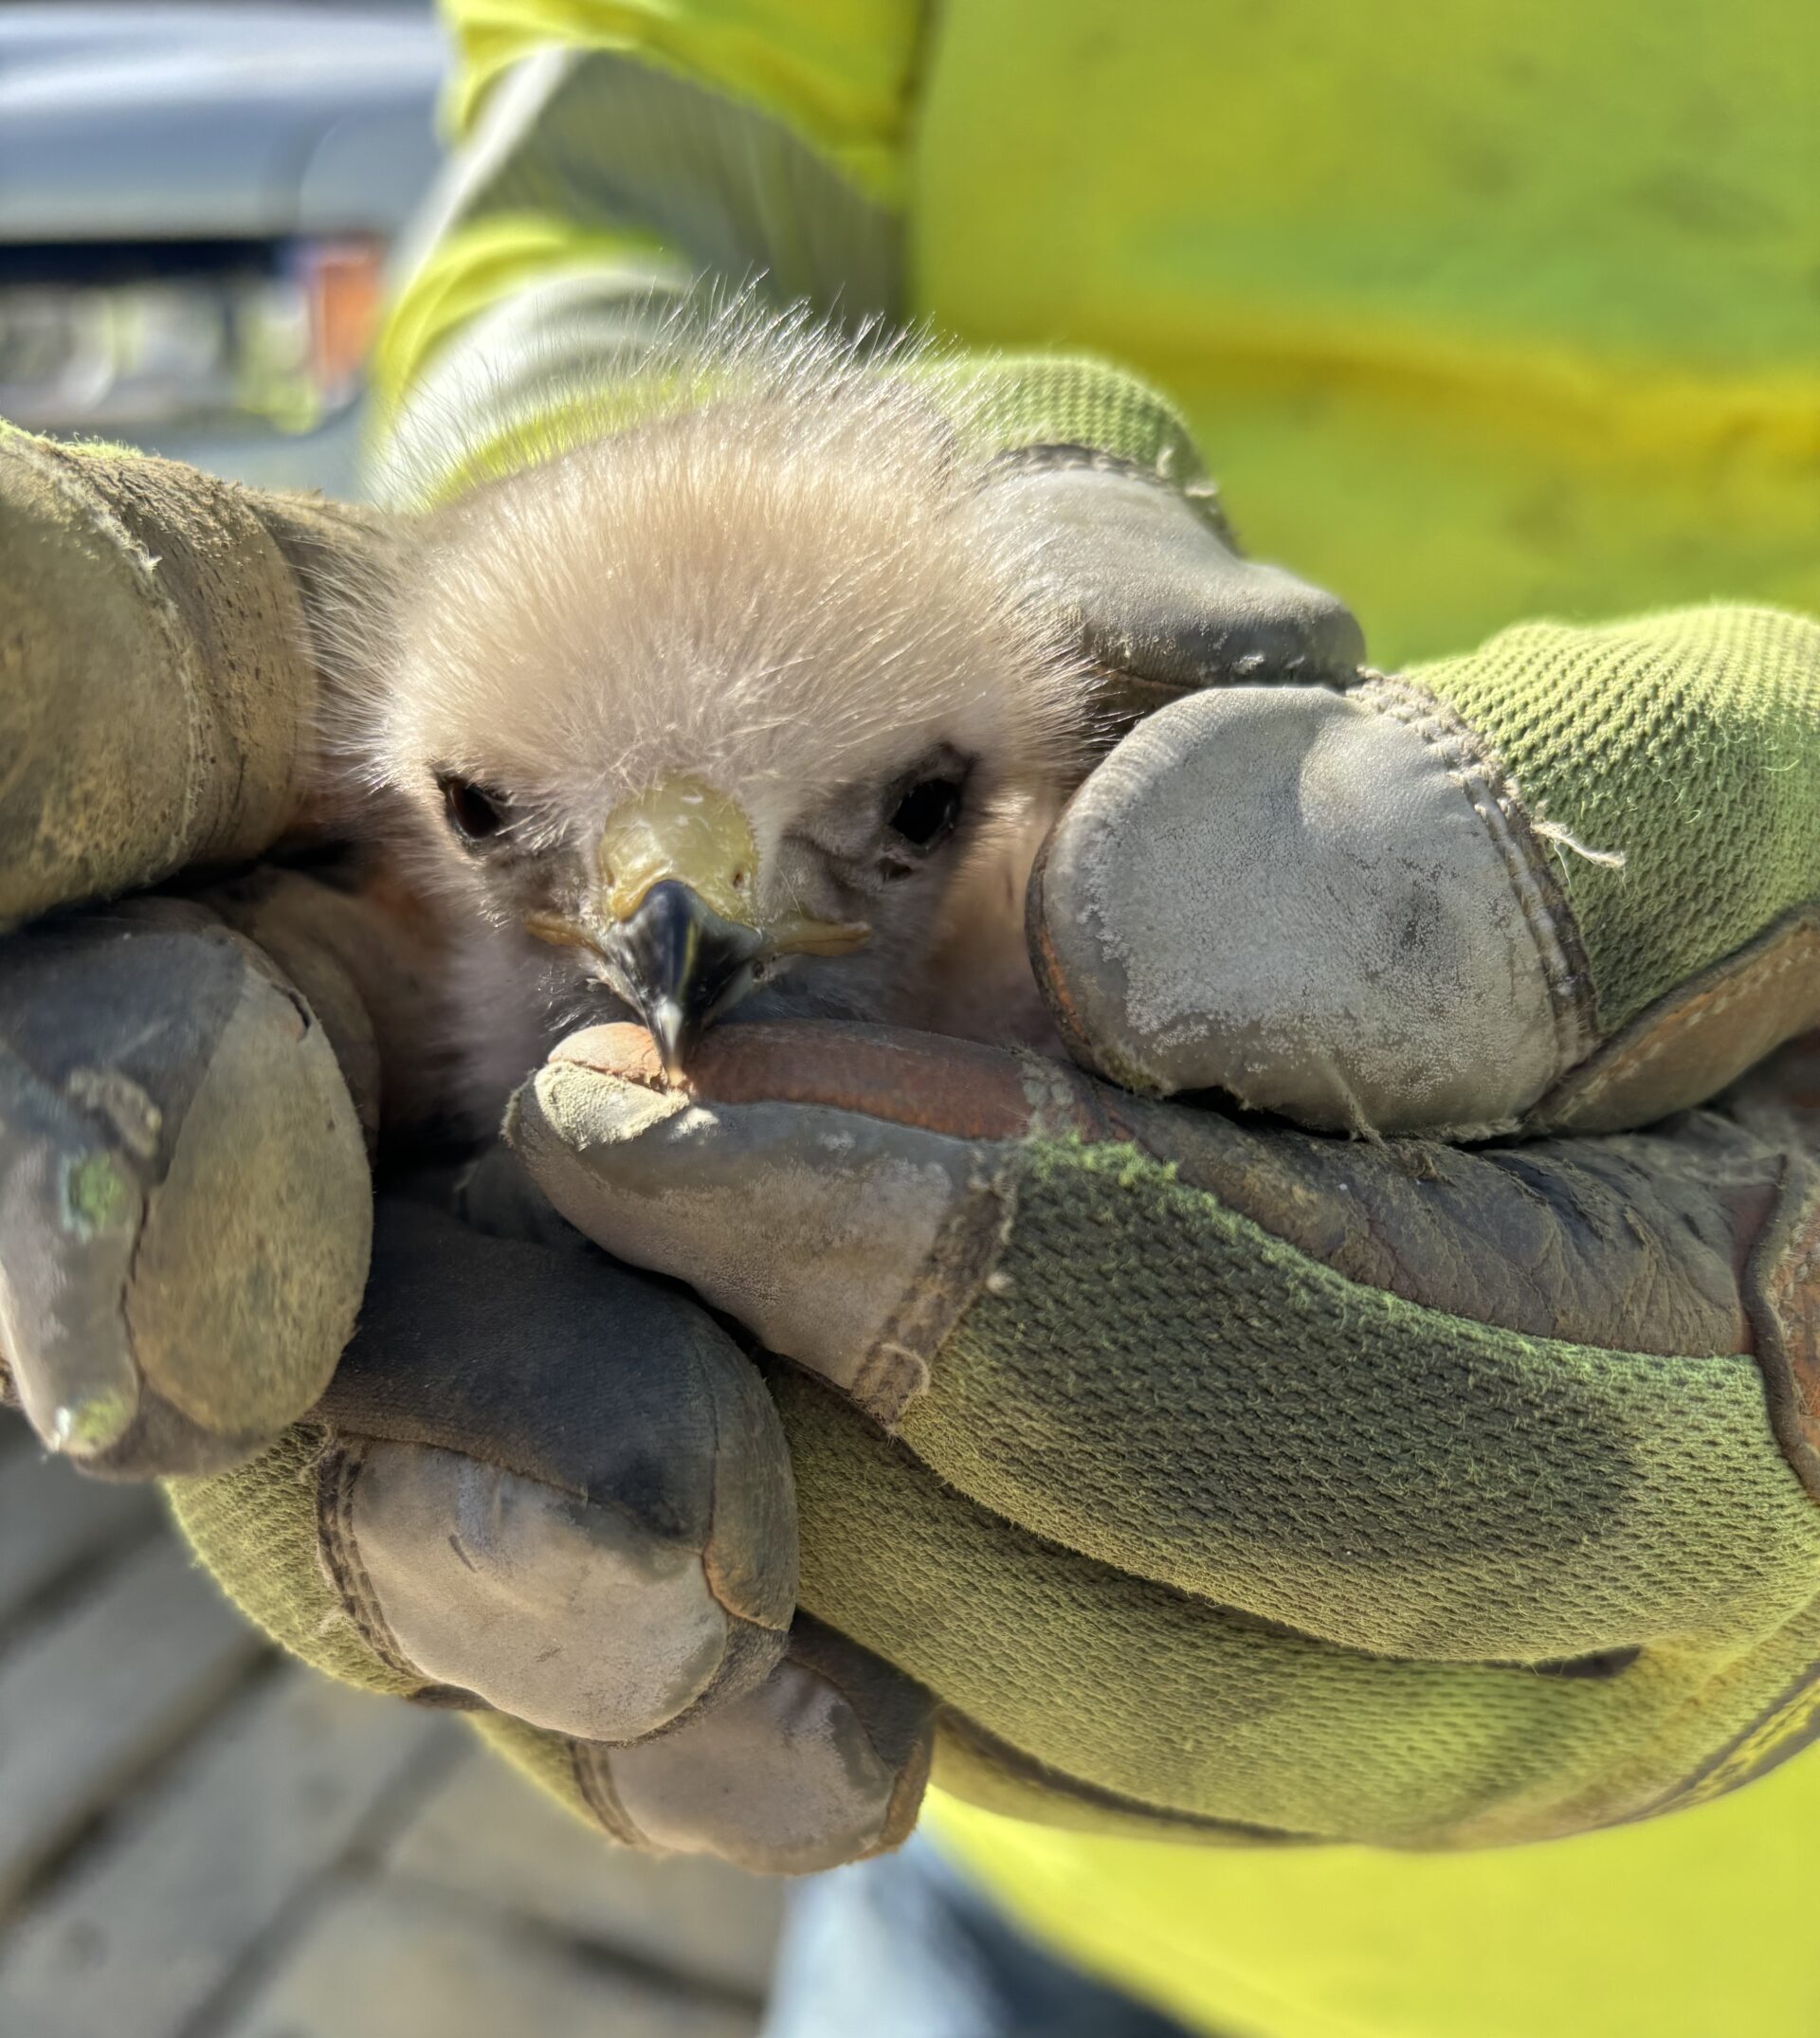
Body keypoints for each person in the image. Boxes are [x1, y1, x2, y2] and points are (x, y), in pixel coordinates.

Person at [3, 3, 1819, 2033]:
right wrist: (605, 459)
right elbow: (641, 137)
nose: (675, 934)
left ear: (1000, 784)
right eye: (500, 819)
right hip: (979, 1861)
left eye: (909, 817)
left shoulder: (1108, 913)